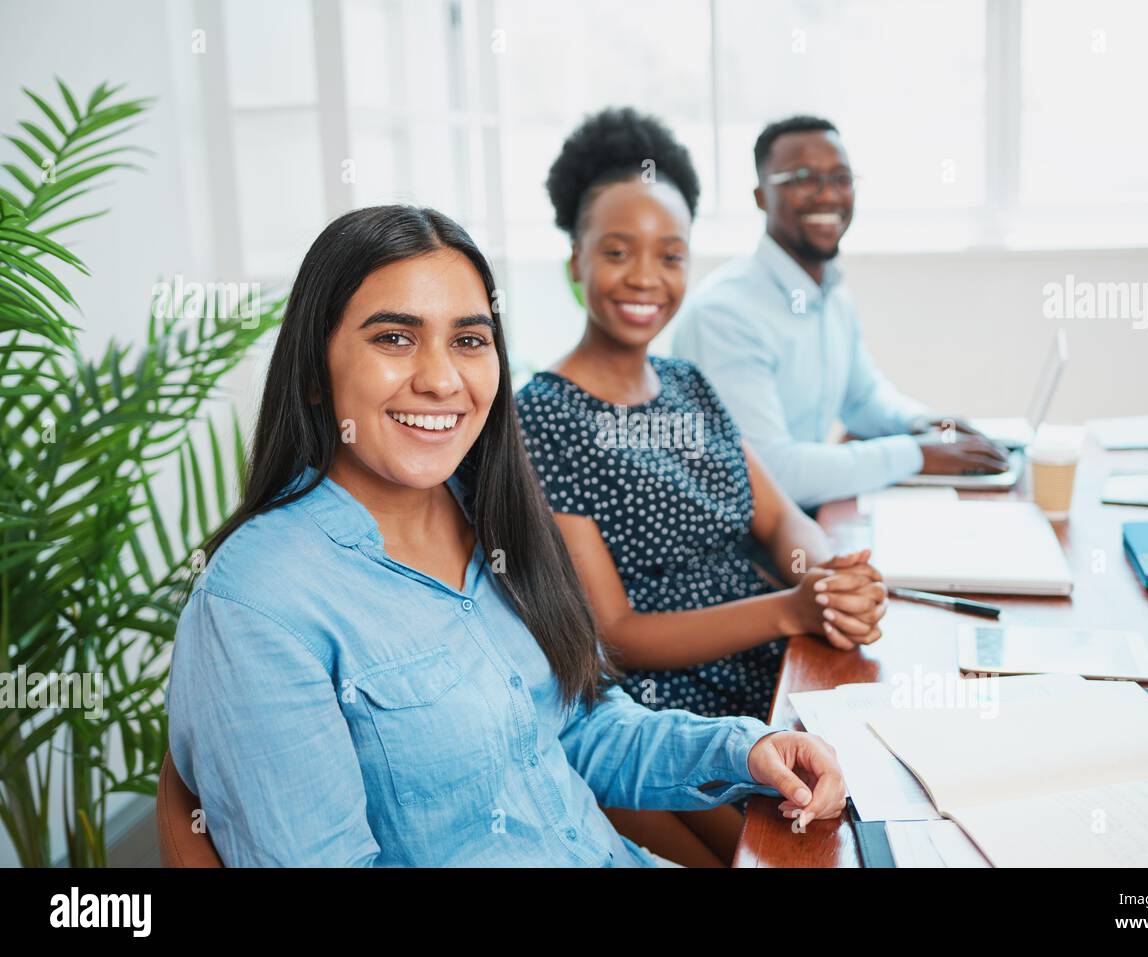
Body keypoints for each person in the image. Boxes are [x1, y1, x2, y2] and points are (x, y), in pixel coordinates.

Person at [164, 204, 846, 867]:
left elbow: (580, 727)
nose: (440, 379)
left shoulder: (495, 515)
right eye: (394, 337)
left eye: (469, 339)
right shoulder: (258, 601)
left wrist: (748, 749)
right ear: (315, 372)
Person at [517, 108, 888, 728]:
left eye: (670, 256)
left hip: (779, 665)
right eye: (617, 252)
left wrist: (825, 579)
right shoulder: (545, 417)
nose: (645, 277)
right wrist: (793, 610)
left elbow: (780, 518)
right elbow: (616, 634)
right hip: (675, 711)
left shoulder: (689, 385)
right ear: (574, 262)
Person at [672, 115, 1010, 509]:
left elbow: (862, 398)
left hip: (808, 518)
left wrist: (924, 424)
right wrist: (917, 454)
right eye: (803, 178)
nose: (828, 195)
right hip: (749, 546)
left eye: (841, 178)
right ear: (760, 196)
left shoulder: (830, 292)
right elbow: (772, 474)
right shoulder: (725, 315)